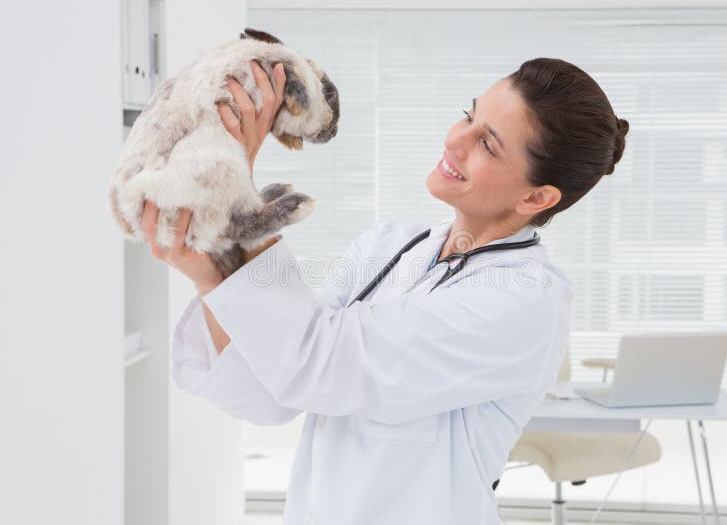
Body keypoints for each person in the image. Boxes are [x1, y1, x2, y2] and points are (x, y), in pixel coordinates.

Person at [142, 57, 629, 525]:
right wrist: (208, 276)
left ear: (535, 197)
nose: (457, 140)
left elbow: (317, 362)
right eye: (469, 115)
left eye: (488, 145)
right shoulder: (390, 245)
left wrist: (239, 191)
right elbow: (274, 394)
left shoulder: (526, 301)